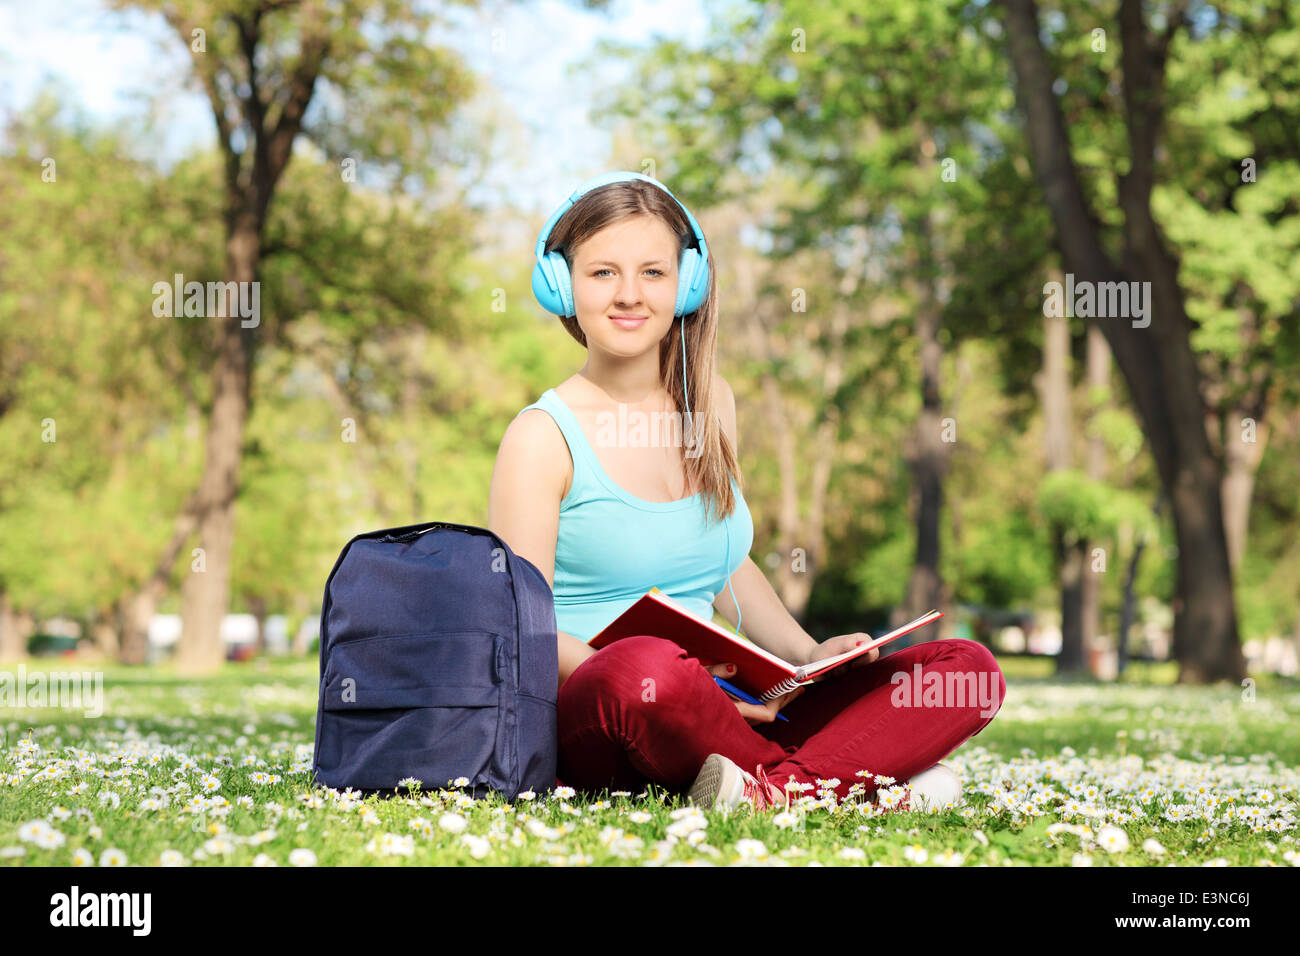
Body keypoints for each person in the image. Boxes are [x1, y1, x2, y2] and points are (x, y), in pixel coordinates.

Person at [488, 172, 1005, 812]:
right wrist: (697, 685)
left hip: (732, 708)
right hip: (613, 706)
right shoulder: (540, 437)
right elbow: (519, 627)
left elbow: (724, 561)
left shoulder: (712, 403)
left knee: (965, 671)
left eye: (653, 272)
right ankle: (852, 786)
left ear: (687, 285)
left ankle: (769, 791)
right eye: (601, 273)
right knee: (644, 666)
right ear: (562, 286)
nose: (628, 295)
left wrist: (803, 656)